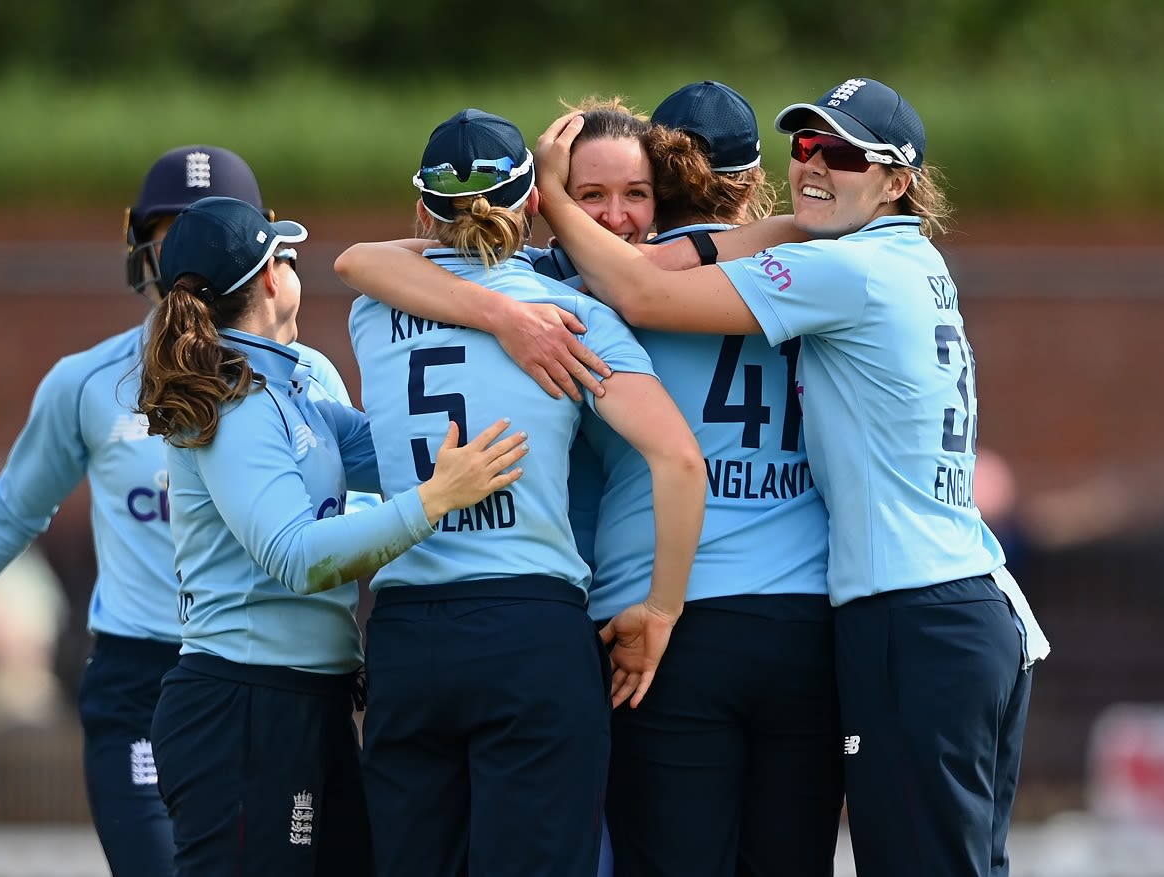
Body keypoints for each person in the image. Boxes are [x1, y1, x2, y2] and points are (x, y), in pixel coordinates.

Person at [533, 77, 1051, 877]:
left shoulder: (843, 270)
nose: (814, 161)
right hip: (927, 606)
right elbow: (738, 241)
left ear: (898, 179)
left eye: (841, 150)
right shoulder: (892, 251)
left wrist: (555, 193)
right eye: (804, 144)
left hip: (902, 616)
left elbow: (637, 288)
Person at [0, 146, 369, 877]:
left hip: (272, 678)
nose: (184, 249)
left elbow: (344, 501)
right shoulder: (88, 383)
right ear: (143, 245)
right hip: (143, 676)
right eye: (169, 231)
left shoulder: (307, 375)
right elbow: (11, 510)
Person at [337, 84, 843, 877]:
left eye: (635, 195)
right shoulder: (810, 276)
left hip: (430, 629)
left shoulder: (393, 308)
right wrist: (511, 308)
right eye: (591, 197)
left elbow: (358, 261)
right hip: (734, 617)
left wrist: (510, 285)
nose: (614, 216)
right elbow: (679, 451)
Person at [340, 107, 705, 877]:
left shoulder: (374, 308)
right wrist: (661, 610)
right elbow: (679, 461)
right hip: (529, 633)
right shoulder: (574, 316)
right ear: (535, 204)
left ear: (421, 209)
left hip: (408, 636)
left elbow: (364, 258)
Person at [137, 194, 527, 876]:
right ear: (267, 280)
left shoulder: (291, 391)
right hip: (246, 708)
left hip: (300, 702)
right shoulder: (237, 401)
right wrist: (436, 499)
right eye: (283, 256)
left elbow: (396, 448)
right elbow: (295, 556)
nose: (293, 267)